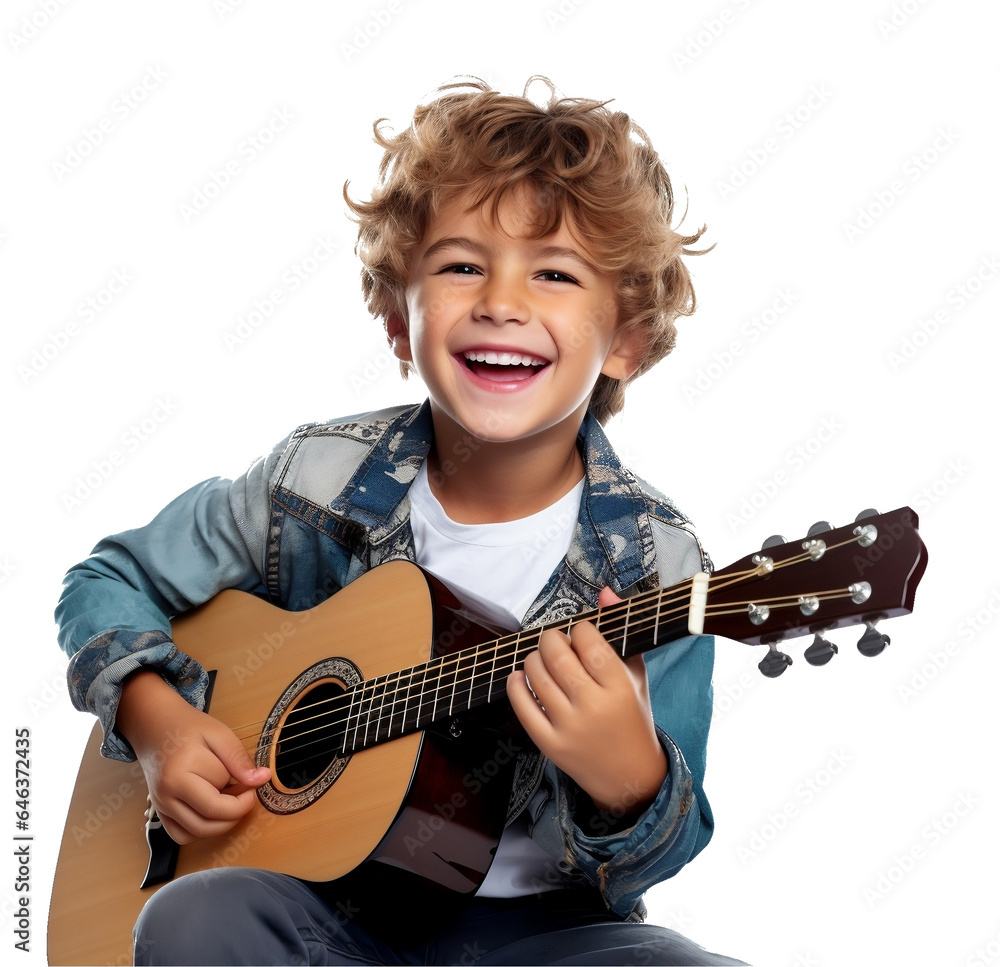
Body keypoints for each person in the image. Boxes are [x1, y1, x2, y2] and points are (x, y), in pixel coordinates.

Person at [55, 77, 746, 965]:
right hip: (324, 911)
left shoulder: (658, 565)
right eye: (461, 266)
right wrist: (159, 724)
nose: (501, 301)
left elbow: (656, 854)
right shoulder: (317, 479)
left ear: (625, 341)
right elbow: (106, 580)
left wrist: (631, 779)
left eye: (554, 273)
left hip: (546, 935)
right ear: (395, 317)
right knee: (193, 917)